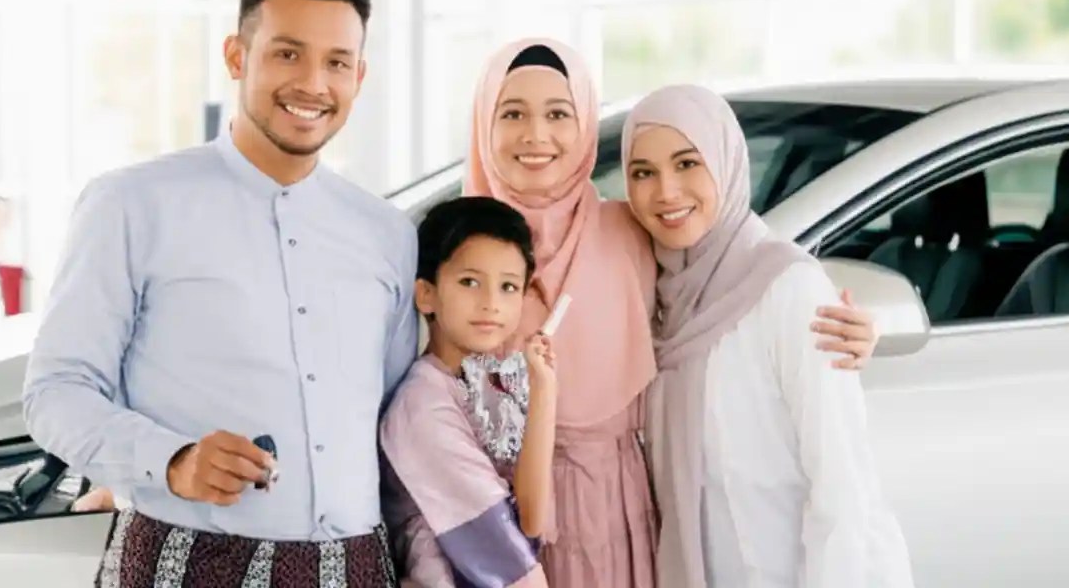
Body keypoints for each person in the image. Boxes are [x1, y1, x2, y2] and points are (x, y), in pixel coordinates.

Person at [23, 0, 414, 586]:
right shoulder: (131, 204)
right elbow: (56, 392)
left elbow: (396, 418)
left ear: (359, 76)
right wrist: (167, 460)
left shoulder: (388, 235)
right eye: (288, 53)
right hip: (188, 561)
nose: (314, 83)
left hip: (358, 567)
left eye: (337, 62)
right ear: (237, 56)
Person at [461, 38, 882, 587]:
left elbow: (727, 286)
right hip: (494, 518)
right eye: (511, 113)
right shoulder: (453, 245)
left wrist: (860, 331)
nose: (536, 135)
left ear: (584, 125)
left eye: (559, 113)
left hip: (621, 514)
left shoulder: (626, 234)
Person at [623, 85, 914, 588]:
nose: (666, 191)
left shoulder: (788, 289)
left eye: (688, 163)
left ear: (727, 163)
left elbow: (842, 486)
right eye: (643, 173)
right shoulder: (651, 299)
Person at [381, 196, 555, 588]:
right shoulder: (422, 408)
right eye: (469, 282)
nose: (491, 303)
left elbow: (530, 518)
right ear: (426, 293)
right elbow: (505, 549)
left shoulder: (479, 383)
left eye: (508, 286)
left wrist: (544, 388)